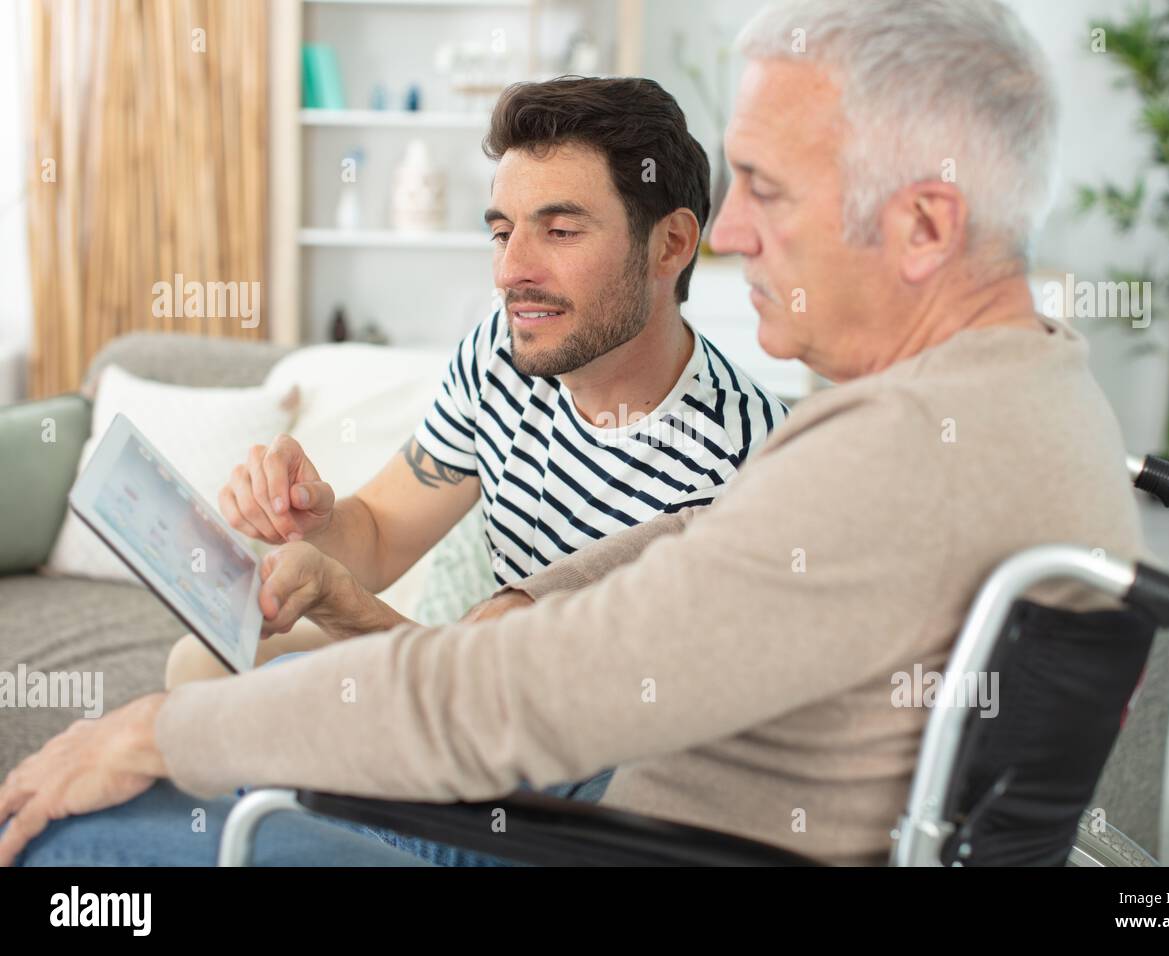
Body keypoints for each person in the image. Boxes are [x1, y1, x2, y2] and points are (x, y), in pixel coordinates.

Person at [1, 0, 1142, 867]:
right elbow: (656, 585)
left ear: (923, 223)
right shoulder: (1011, 400)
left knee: (68, 839)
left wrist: (166, 734)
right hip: (594, 787)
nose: (738, 233)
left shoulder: (895, 450)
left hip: (580, 827)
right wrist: (494, 600)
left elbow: (517, 701)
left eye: (768, 190)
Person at [165, 75, 787, 687]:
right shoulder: (503, 350)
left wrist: (340, 603)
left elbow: (538, 721)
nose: (510, 271)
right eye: (501, 232)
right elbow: (380, 536)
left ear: (671, 244)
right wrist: (310, 519)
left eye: (561, 231)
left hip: (567, 736)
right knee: (203, 656)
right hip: (475, 676)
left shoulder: (746, 468)